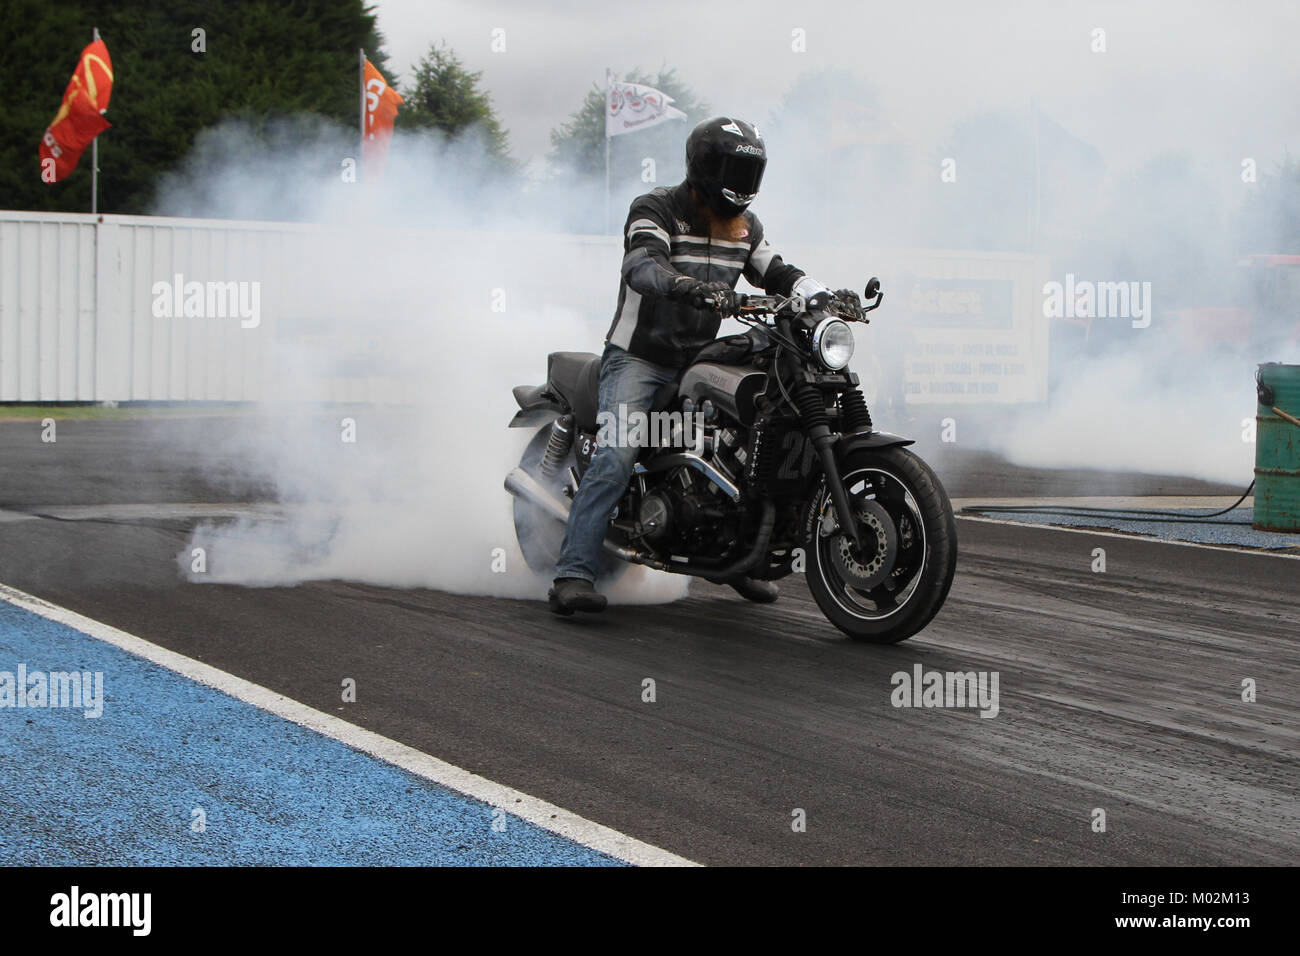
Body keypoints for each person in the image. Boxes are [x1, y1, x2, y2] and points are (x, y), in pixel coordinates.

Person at [549, 116, 847, 615]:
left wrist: (822, 296)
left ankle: (736, 559)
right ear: (706, 167)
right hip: (639, 358)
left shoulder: (744, 226)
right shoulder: (656, 208)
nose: (743, 183)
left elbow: (778, 271)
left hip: (697, 357)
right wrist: (689, 286)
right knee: (618, 454)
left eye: (751, 172)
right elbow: (642, 265)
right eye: (734, 169)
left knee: (748, 437)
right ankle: (572, 573)